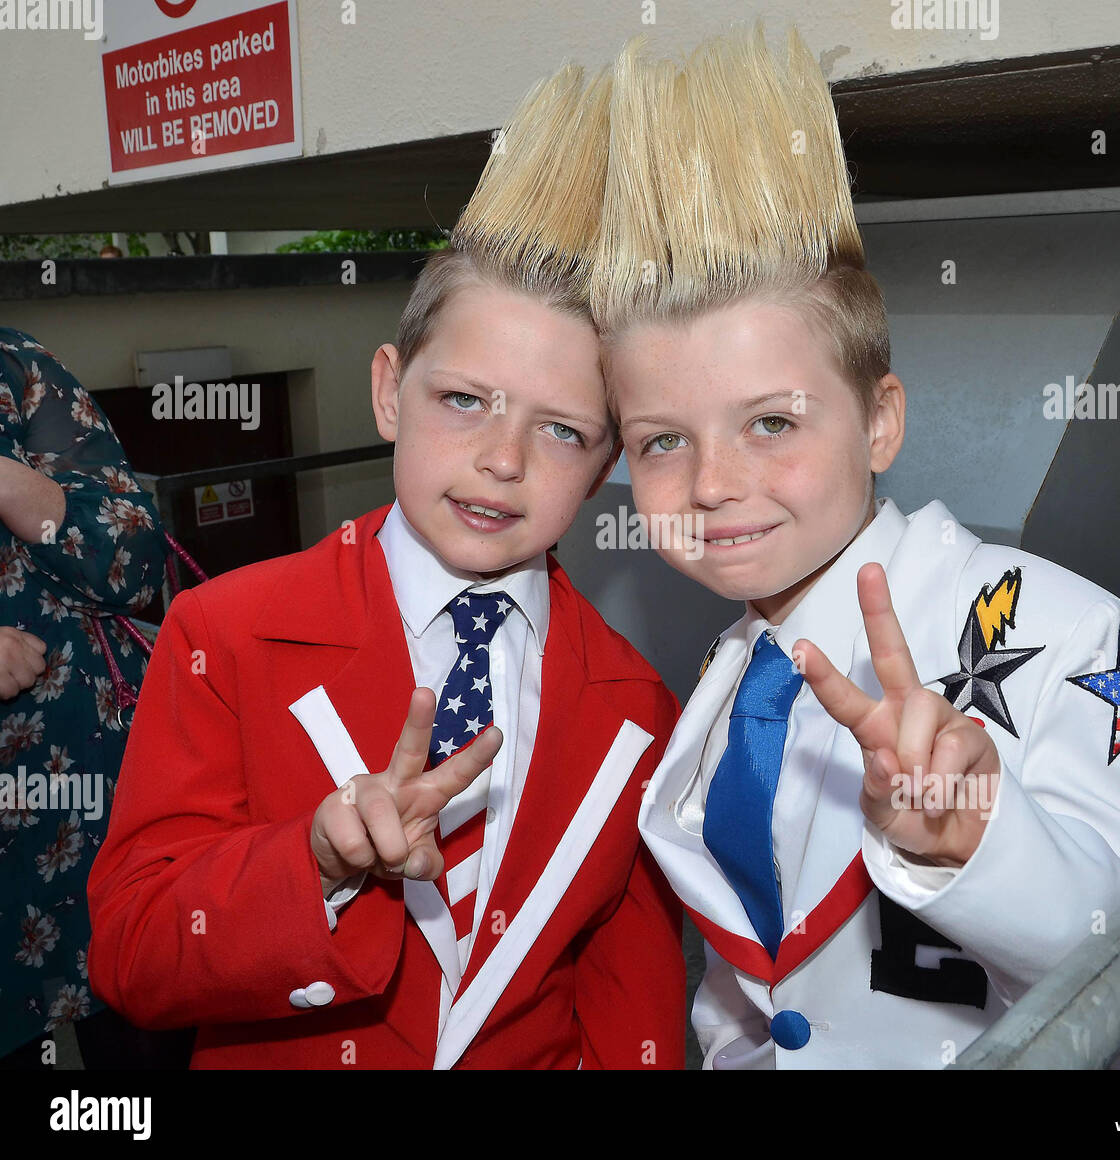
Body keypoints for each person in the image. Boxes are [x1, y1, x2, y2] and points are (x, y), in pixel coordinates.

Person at [587, 25, 1120, 1068]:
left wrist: (981, 838)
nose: (708, 483)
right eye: (662, 441)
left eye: (772, 423)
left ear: (880, 422)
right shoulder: (732, 663)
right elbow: (757, 1000)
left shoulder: (1076, 634)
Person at [87, 64, 685, 1069]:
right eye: (464, 400)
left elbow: (632, 1006)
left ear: (604, 466)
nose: (503, 458)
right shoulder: (221, 634)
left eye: (562, 429)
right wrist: (313, 860)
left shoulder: (637, 707)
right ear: (387, 393)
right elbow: (135, 954)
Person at [0, 327, 171, 1067]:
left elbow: (136, 566)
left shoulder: (15, 367)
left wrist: (8, 480)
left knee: (139, 1039)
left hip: (92, 801)